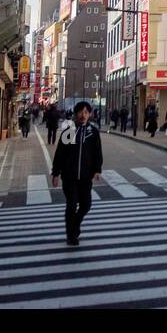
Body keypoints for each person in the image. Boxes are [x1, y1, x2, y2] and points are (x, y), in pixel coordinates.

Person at [51, 100, 103, 247]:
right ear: (75, 113)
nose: (83, 115)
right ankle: (71, 235)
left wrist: (97, 169)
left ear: (90, 114)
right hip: (69, 176)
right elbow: (60, 153)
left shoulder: (93, 132)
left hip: (86, 176)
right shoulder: (69, 130)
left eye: (86, 112)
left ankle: (75, 225)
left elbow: (97, 152)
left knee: (86, 204)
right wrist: (55, 173)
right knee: (72, 204)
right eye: (80, 112)